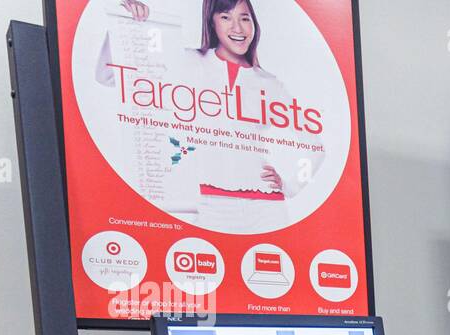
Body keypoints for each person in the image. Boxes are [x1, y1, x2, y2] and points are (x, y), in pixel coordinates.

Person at [106, 1, 325, 232]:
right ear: (211, 22)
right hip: (208, 205)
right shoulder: (188, 62)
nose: (237, 28)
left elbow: (315, 148)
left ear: (255, 24)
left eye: (244, 18)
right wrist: (126, 24)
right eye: (225, 17)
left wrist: (289, 187)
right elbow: (109, 76)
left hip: (266, 209)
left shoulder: (270, 84)